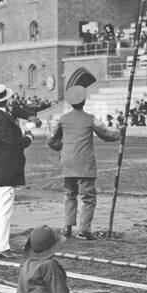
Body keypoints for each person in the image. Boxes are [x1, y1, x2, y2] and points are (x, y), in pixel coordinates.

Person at [47, 84, 120, 240]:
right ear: (84, 102)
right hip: (84, 164)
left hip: (67, 162)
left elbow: (52, 140)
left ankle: (67, 227)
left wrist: (64, 148)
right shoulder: (90, 119)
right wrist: (121, 133)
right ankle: (84, 230)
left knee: (69, 195)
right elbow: (106, 135)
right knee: (88, 198)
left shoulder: (63, 119)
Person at [0, 84, 30, 258]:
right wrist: (27, 138)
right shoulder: (0, 118)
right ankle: (1, 246)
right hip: (6, 166)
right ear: (4, 99)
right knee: (4, 208)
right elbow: (11, 142)